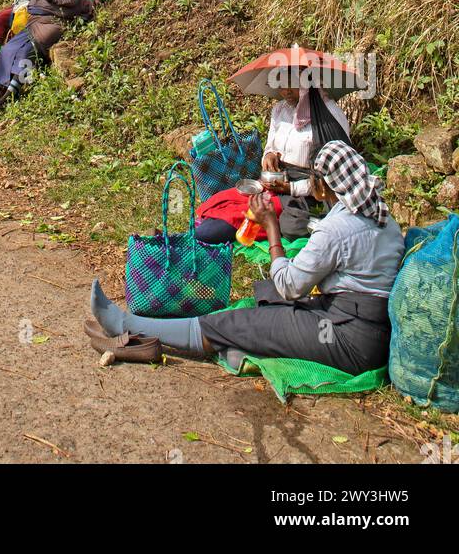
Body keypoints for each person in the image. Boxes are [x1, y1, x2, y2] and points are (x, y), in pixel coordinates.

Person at [90, 142, 405, 376]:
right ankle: (238, 349)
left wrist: (271, 228)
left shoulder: (336, 229)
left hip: (346, 336)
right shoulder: (385, 220)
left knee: (239, 319)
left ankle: (131, 328)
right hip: (369, 329)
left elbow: (289, 286)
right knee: (265, 301)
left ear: (322, 186)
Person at [194, 82, 352, 245]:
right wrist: (269, 155)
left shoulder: (329, 115)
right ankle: (202, 228)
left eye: (291, 84)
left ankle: (208, 231)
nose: (285, 91)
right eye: (280, 85)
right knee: (222, 200)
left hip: (307, 192)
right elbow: (271, 146)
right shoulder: (280, 110)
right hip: (276, 181)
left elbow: (334, 176)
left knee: (240, 216)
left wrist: (290, 188)